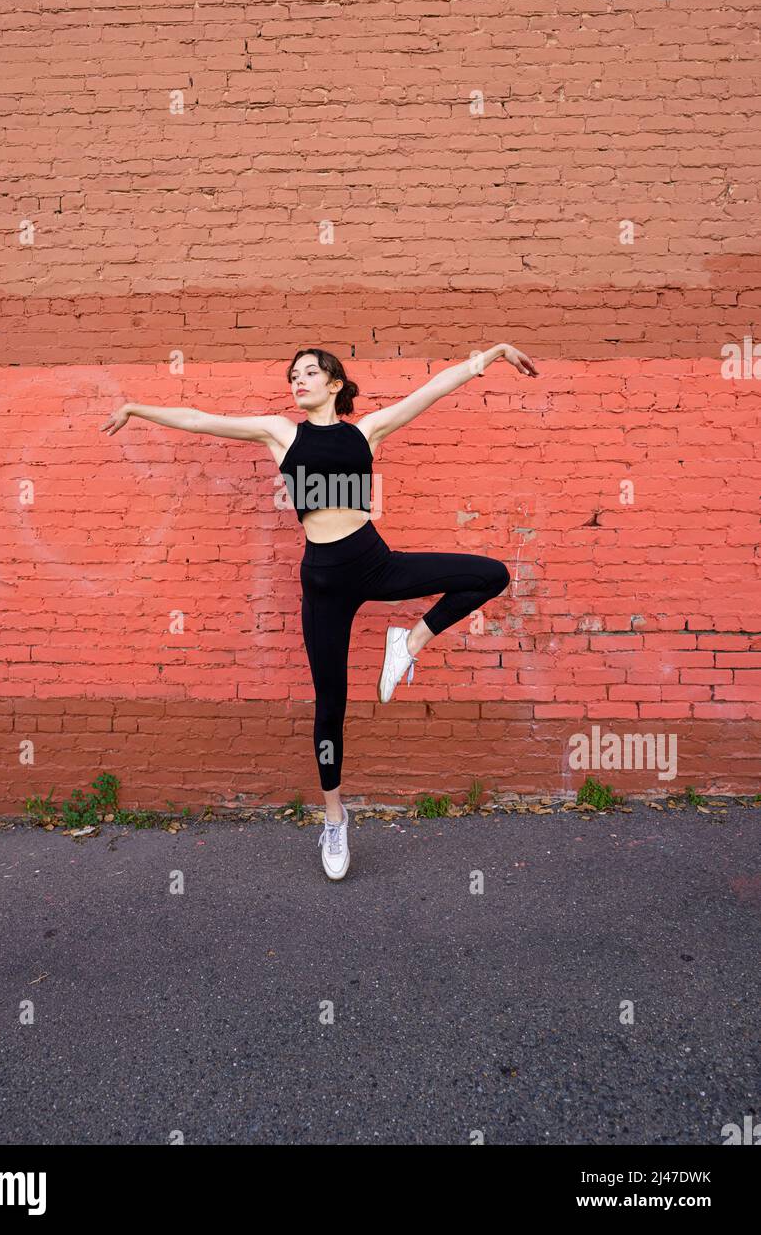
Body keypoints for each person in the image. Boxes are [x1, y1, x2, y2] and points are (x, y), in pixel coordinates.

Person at [101, 342, 537, 881]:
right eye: (293, 374)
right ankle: (334, 818)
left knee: (490, 575)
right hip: (324, 583)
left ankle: (411, 641)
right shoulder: (279, 433)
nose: (298, 380)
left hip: (375, 563)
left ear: (335, 384)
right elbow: (200, 419)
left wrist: (487, 357)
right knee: (330, 707)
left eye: (311, 372)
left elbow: (432, 391)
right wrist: (138, 408)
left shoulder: (366, 430)